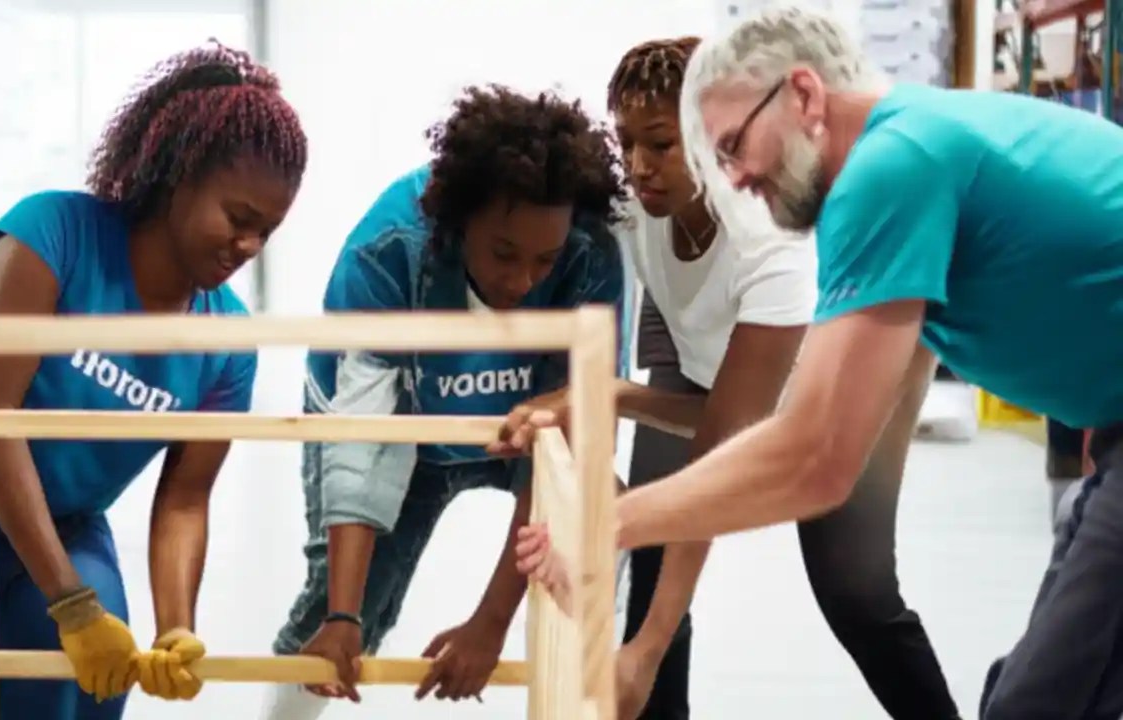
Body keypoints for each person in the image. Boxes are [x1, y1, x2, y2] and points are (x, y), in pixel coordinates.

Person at [514, 6, 1123, 719]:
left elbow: (814, 455)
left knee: (1026, 698)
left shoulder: (888, 169)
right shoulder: (910, 147)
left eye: (735, 145)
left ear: (803, 96)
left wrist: (607, 525)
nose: (735, 178)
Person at [0, 41, 307, 720]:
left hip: (60, 520)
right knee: (42, 676)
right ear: (178, 175)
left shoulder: (227, 340)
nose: (248, 247)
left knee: (96, 686)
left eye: (267, 231)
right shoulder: (50, 234)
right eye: (238, 219)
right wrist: (71, 602)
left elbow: (183, 501)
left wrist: (177, 626)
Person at [506, 36, 959, 720]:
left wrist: (646, 650)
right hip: (708, 362)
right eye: (626, 142)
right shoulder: (635, 206)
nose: (638, 166)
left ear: (706, 133)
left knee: (854, 593)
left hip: (846, 373)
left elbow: (726, 445)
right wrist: (611, 394)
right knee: (655, 558)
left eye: (659, 144)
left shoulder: (768, 241)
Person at [259, 83, 628, 719]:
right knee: (336, 623)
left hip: (519, 423)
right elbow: (361, 439)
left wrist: (490, 624)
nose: (521, 280)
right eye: (503, 253)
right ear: (460, 222)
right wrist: (344, 613)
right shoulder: (389, 249)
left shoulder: (591, 255)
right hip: (392, 417)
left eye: (544, 260)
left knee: (595, 519)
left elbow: (567, 457)